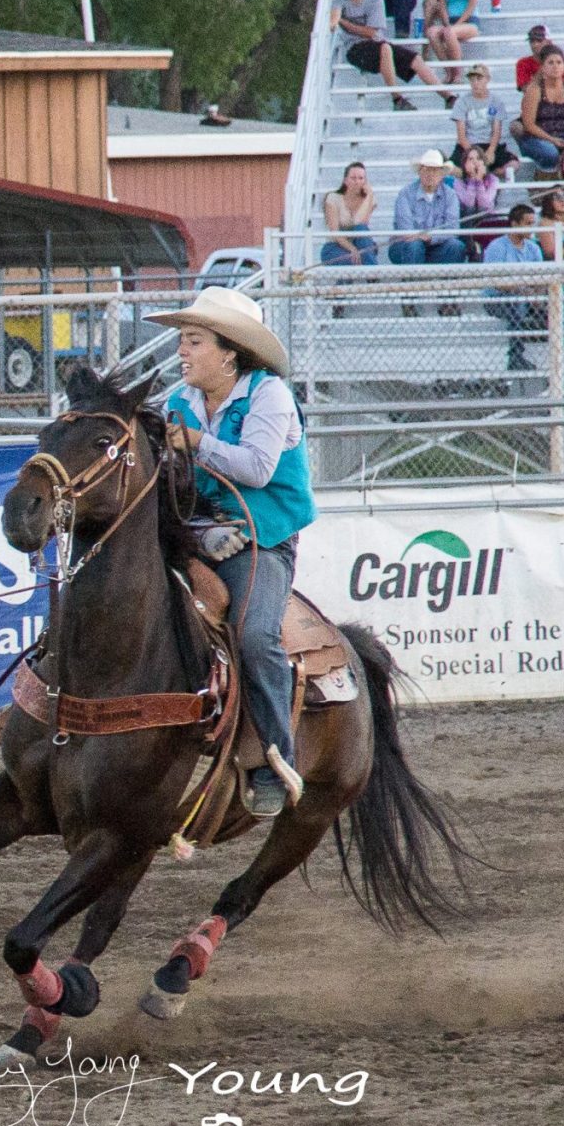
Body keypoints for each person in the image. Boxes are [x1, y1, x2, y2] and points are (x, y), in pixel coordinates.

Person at [151, 287, 315, 819]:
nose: (182, 351)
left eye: (194, 341)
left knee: (254, 634)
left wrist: (196, 445)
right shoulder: (178, 402)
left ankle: (274, 757)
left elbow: (258, 469)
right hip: (197, 529)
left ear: (230, 352)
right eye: (182, 340)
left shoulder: (269, 394)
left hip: (263, 534)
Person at [334, 0, 447, 111]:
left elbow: (371, 33)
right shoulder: (339, 0)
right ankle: (397, 99)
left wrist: (344, 23)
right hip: (355, 49)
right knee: (386, 48)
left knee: (415, 58)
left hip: (377, 43)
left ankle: (449, 97)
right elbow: (333, 18)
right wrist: (334, 20)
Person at [388, 148, 464, 290]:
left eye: (435, 170)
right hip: (404, 248)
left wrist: (430, 237)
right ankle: (410, 297)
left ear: (442, 174)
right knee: (414, 246)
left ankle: (448, 297)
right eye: (427, 170)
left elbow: (452, 230)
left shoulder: (451, 195)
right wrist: (422, 237)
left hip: (436, 247)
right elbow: (406, 231)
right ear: (420, 172)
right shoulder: (405, 194)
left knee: (456, 246)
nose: (430, 174)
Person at [482, 203, 547, 369]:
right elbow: (496, 282)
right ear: (514, 224)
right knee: (517, 303)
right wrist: (525, 292)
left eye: (533, 223)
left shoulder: (533, 248)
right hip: (497, 299)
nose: (532, 227)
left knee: (554, 301)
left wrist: (537, 294)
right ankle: (515, 356)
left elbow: (540, 279)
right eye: (528, 223)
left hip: (528, 296)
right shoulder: (497, 247)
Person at [450, 64, 516, 175]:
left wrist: (491, 150)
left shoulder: (496, 101)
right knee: (450, 168)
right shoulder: (461, 102)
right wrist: (473, 154)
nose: (475, 83)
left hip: (489, 144)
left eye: (479, 78)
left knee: (513, 164)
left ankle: (489, 176)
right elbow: (461, 136)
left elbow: (496, 131)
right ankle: (478, 176)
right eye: (472, 79)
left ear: (487, 79)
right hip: (468, 145)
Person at [518, 44, 564, 172]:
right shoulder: (535, 90)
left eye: (559, 62)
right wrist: (552, 139)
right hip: (537, 138)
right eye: (550, 63)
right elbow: (528, 125)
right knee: (551, 154)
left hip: (562, 136)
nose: (555, 66)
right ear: (543, 68)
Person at [452, 143, 504, 258]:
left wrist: (479, 181)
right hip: (466, 219)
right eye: (470, 159)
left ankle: (479, 248)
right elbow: (468, 203)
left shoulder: (493, 180)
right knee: (469, 211)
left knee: (483, 209)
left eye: (478, 158)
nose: (475, 162)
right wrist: (472, 181)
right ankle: (472, 247)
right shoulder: (458, 182)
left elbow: (485, 203)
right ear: (464, 164)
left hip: (485, 217)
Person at [322, 161, 379, 266]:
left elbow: (359, 224)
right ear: (345, 180)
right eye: (353, 178)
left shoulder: (370, 200)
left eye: (361, 178)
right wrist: (352, 249)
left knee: (361, 229)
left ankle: (372, 276)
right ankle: (373, 273)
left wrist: (369, 196)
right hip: (335, 246)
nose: (357, 181)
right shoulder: (333, 198)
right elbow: (334, 232)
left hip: (360, 246)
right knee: (352, 260)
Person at [422, 0, 478, 87]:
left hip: (469, 20)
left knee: (449, 32)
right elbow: (443, 6)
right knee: (431, 32)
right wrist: (446, 23)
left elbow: (471, 5)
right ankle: (448, 71)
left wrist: (457, 24)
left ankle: (457, 73)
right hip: (450, 21)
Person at [516, 24, 548, 92]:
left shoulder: (559, 62)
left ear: (548, 42)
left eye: (539, 41)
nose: (535, 45)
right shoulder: (523, 63)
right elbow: (525, 89)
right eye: (532, 41)